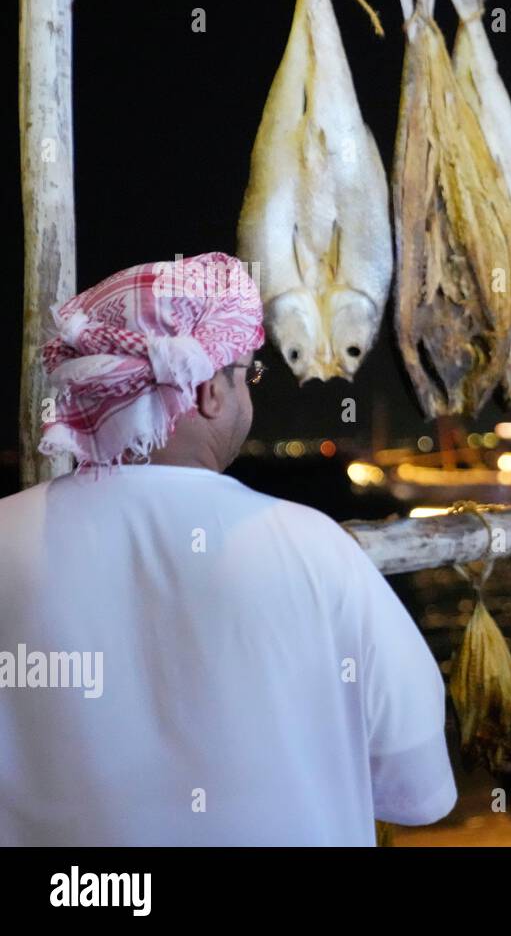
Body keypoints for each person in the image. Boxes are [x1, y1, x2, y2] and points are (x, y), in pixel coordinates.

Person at [0, 254, 456, 845]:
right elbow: (418, 785)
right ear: (211, 390)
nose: (249, 392)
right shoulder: (315, 549)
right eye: (247, 374)